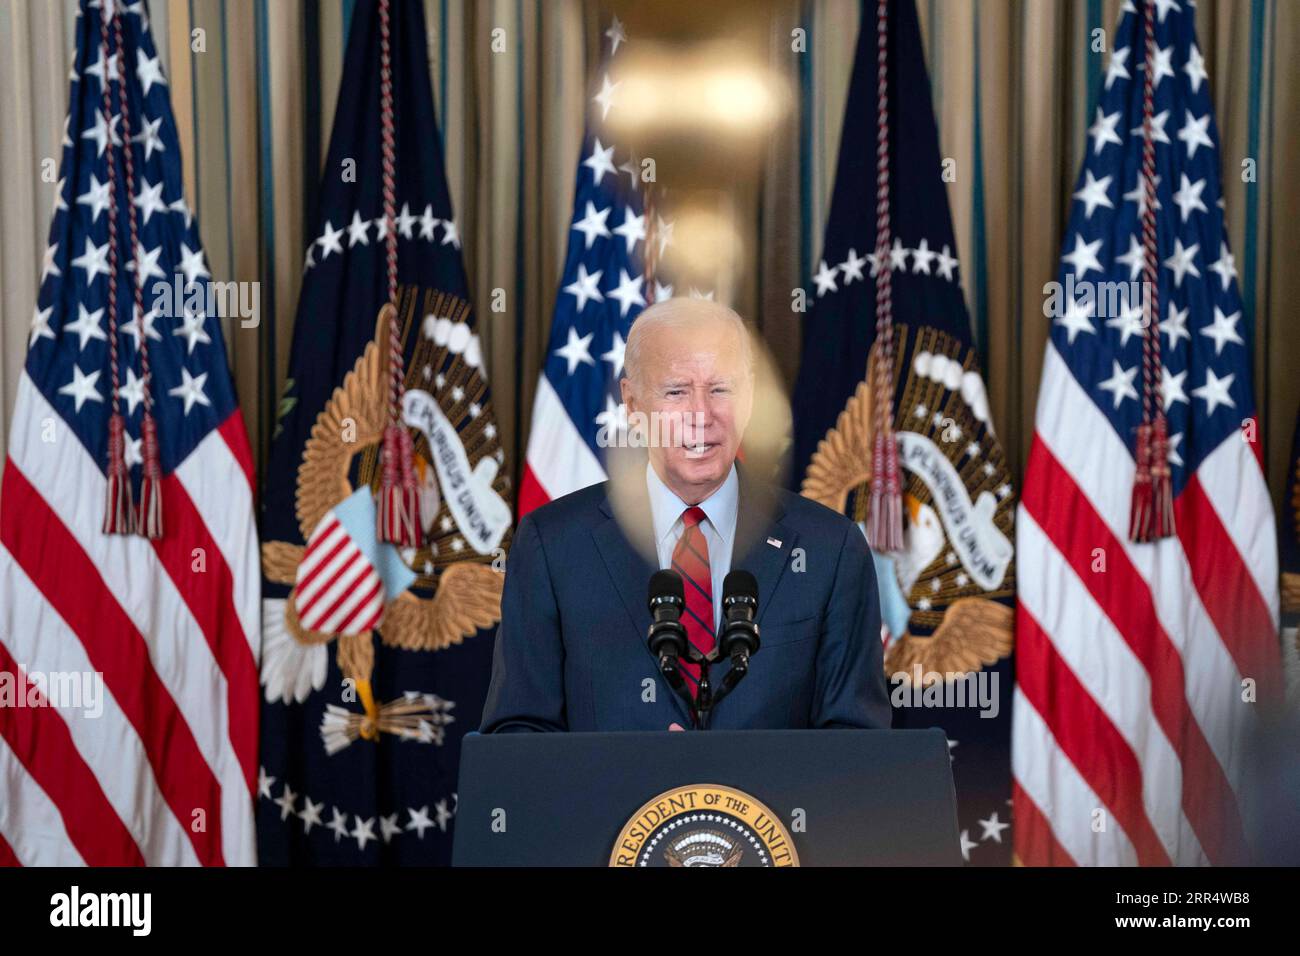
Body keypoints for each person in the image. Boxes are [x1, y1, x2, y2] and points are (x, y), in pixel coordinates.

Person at [480, 298, 889, 731]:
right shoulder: (553, 546)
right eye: (676, 391)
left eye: (721, 389)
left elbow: (857, 742)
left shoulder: (830, 549)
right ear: (633, 405)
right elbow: (517, 736)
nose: (702, 416)